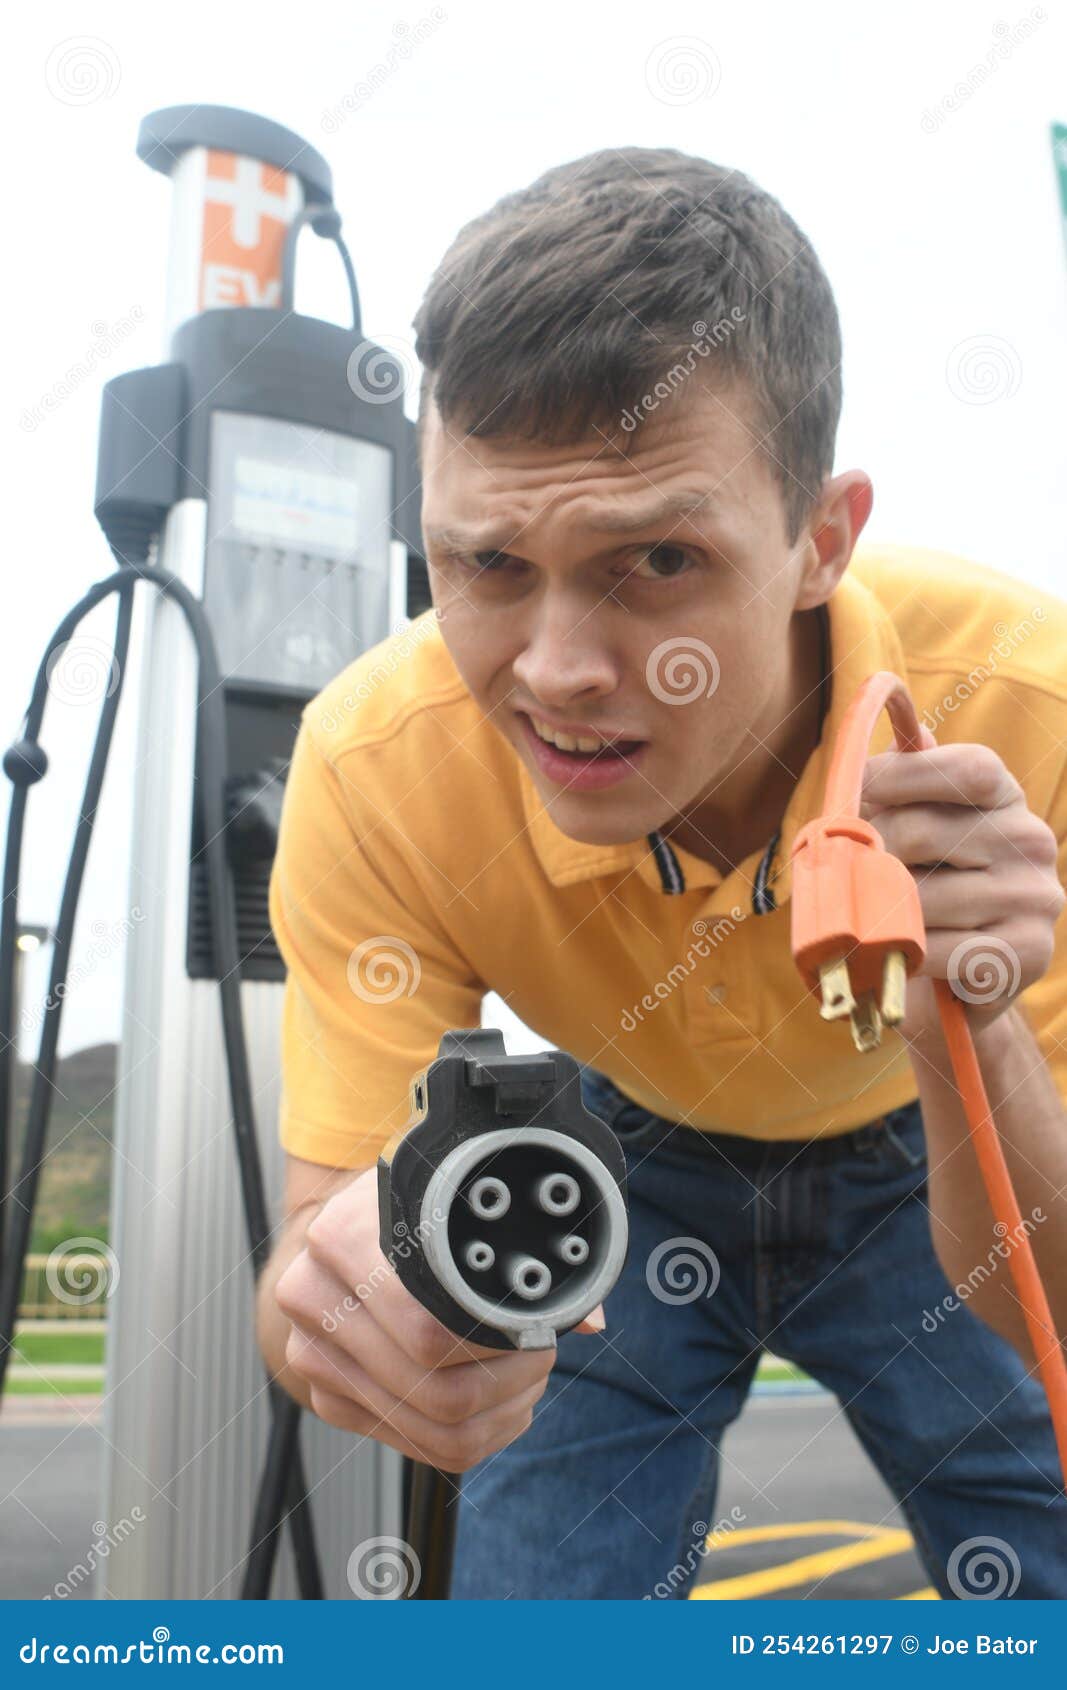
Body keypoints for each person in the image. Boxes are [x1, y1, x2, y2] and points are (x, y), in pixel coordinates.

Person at [255, 147, 1067, 1599]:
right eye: (487, 564)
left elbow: (1056, 1304)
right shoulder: (377, 767)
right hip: (621, 1161)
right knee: (536, 1621)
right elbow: (305, 1275)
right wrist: (361, 1323)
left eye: (659, 561)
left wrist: (978, 1024)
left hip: (918, 1146)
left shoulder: (1031, 711)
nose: (558, 671)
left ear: (822, 540)